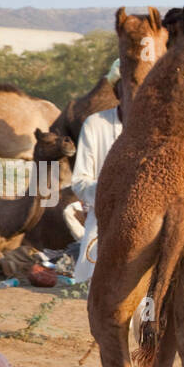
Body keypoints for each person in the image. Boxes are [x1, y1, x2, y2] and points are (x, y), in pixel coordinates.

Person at [71, 98, 124, 283]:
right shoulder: (95, 125)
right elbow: (79, 182)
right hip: (102, 223)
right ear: (118, 89)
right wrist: (112, 190)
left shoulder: (156, 124)